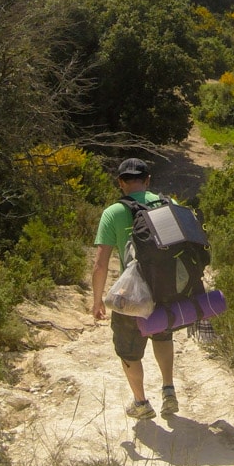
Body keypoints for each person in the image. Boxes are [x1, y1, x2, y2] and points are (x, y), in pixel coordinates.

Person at [91, 158, 179, 421]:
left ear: (121, 183)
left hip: (131, 294)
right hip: (164, 288)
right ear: (148, 180)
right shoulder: (167, 203)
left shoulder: (113, 213)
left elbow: (100, 263)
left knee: (128, 349)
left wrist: (97, 301)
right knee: (163, 337)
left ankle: (141, 403)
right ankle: (169, 390)